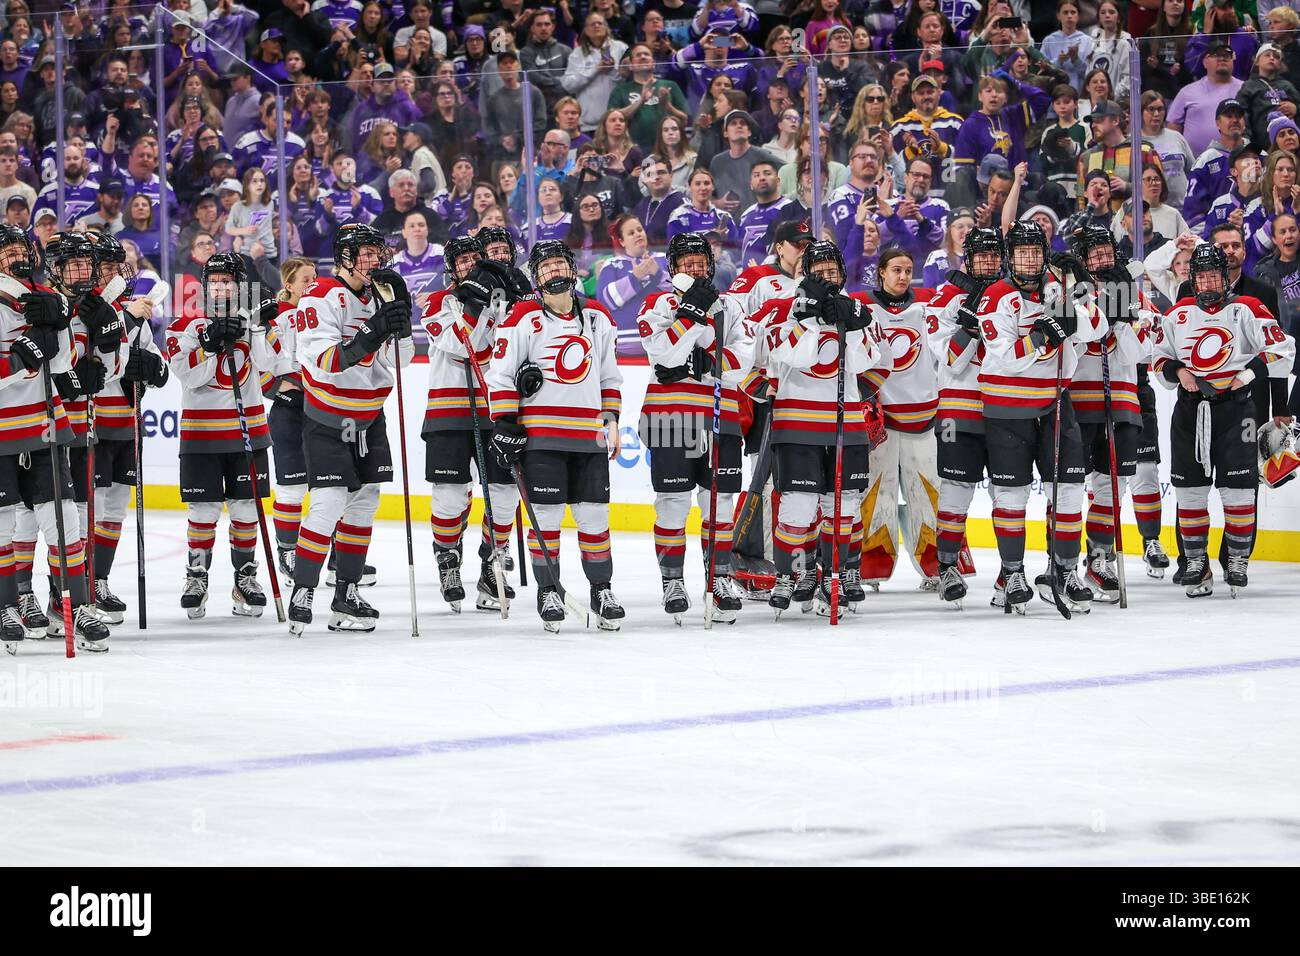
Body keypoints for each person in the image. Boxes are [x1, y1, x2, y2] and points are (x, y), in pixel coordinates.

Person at [486, 239, 626, 632]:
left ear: (572, 270)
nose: (553, 274)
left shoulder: (598, 317)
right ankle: (548, 590)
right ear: (535, 277)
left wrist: (612, 419)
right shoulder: (522, 317)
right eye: (544, 268)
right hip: (541, 437)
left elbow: (609, 375)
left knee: (594, 516)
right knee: (545, 517)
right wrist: (506, 423)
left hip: (589, 436)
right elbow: (500, 374)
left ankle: (602, 589)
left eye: (558, 266)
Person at [285, 223, 414, 635]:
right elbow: (325, 361)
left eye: (378, 254)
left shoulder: (381, 295)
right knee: (328, 504)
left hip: (370, 419)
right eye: (366, 254)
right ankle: (303, 589)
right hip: (327, 418)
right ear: (344, 256)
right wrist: (376, 328)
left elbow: (403, 360)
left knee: (364, 504)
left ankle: (347, 594)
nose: (374, 261)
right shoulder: (321, 295)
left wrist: (401, 318)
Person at [748, 240, 889, 615]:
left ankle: (841, 574)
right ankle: (793, 573)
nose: (827, 277)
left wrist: (852, 324)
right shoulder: (783, 309)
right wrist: (808, 318)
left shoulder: (857, 309)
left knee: (843, 506)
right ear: (803, 273)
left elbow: (872, 361)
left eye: (832, 271)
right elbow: (785, 354)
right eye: (818, 271)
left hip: (846, 423)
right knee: (798, 507)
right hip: (797, 426)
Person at [973, 221, 1107, 614]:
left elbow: (1097, 328)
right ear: (1009, 257)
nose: (1029, 259)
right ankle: (1011, 572)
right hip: (1008, 411)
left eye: (1035, 251)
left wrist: (1083, 295)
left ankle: (1063, 571)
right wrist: (1044, 335)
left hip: (1055, 406)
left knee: (1067, 490)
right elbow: (1006, 356)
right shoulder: (995, 296)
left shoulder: (1059, 289)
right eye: (1021, 252)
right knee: (1012, 497)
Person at [1152, 244, 1295, 597]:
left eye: (1213, 275)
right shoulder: (1178, 313)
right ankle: (1196, 561)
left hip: (1237, 411)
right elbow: (1158, 358)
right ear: (1192, 279)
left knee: (1239, 490)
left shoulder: (1247, 308)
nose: (1207, 283)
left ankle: (1236, 559)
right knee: (1189, 491)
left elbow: (1283, 350)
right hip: (1190, 411)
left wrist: (1246, 376)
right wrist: (1178, 370)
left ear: (1225, 276)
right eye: (1200, 277)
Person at [0, 226, 111, 650]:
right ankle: (7, 603)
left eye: (18, 250)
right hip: (4, 432)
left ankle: (77, 606)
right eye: (5, 252)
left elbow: (62, 360)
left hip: (46, 426)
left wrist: (60, 323)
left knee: (62, 518)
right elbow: (21, 363)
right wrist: (23, 355)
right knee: (4, 524)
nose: (14, 258)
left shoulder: (49, 297)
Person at [636, 231, 754, 622]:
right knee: (672, 503)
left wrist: (707, 362)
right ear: (673, 269)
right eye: (687, 263)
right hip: (671, 417)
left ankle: (717, 578)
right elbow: (662, 352)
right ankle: (673, 581)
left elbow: (743, 361)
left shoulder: (731, 306)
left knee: (719, 503)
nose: (695, 268)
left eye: (701, 262)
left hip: (722, 418)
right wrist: (689, 316)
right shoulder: (658, 303)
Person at [164, 252, 282, 622]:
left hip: (248, 430)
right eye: (213, 281)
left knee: (246, 511)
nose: (219, 287)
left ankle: (245, 578)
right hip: (201, 434)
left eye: (227, 281)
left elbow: (270, 367)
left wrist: (257, 327)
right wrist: (211, 345)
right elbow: (190, 377)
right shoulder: (186, 325)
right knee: (203, 512)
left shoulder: (255, 321)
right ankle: (197, 577)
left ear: (240, 285)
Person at [418, 234, 525, 613]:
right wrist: (477, 302)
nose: (468, 266)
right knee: (449, 495)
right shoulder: (436, 302)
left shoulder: (508, 301)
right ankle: (448, 560)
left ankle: (491, 564)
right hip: (448, 410)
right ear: (451, 267)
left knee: (504, 495)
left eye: (473, 259)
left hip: (497, 409)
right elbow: (463, 347)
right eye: (461, 261)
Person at [1061, 226, 1155, 602]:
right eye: (1093, 254)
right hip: (1076, 405)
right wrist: (1094, 314)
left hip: (1121, 403)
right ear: (1081, 260)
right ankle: (1062, 564)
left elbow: (1141, 352)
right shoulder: (1067, 295)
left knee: (1111, 487)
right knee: (1067, 489)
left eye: (1105, 252)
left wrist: (1122, 315)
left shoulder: (1135, 294)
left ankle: (1099, 558)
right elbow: (1062, 346)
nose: (1101, 260)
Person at [924, 225, 1005, 606]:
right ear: (966, 258)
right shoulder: (946, 297)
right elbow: (952, 361)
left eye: (994, 254)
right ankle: (947, 567)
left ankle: (1011, 571)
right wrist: (970, 321)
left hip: (1008, 407)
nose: (988, 261)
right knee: (956, 490)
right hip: (959, 406)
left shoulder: (1011, 296)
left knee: (1009, 492)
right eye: (981, 254)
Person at [854, 248, 941, 589]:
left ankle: (937, 566)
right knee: (877, 493)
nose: (903, 276)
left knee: (929, 493)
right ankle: (871, 567)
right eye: (896, 270)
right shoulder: (862, 306)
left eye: (908, 270)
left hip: (924, 415)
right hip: (881, 420)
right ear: (881, 272)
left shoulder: (927, 306)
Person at [262, 256, 316, 574]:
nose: (312, 283)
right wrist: (280, 388)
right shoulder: (275, 318)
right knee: (293, 488)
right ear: (289, 285)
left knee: (332, 487)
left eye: (314, 277)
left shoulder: (326, 311)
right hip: (289, 411)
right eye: (305, 279)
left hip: (323, 408)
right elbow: (260, 367)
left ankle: (338, 556)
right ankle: (288, 552)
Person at [598, 214, 671, 357]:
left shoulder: (663, 259)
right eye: (631, 233)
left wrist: (657, 274)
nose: (637, 234)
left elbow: (678, 292)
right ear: (621, 241)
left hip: (663, 344)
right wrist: (635, 278)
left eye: (639, 230)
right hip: (622, 349)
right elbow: (605, 301)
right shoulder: (612, 264)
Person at [1075, 99, 1163, 212]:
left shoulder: (1144, 151)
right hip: (1097, 226)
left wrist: (1127, 187)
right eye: (1092, 121)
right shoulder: (1086, 157)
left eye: (1099, 120)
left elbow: (1160, 190)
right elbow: (1080, 198)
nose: (1093, 125)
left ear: (1115, 120)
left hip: (1136, 223)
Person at [890, 72, 964, 200]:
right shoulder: (900, 127)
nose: (926, 96)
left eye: (930, 92)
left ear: (939, 93)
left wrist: (941, 148)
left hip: (949, 197)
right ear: (913, 97)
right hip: (911, 199)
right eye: (921, 93)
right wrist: (909, 153)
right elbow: (892, 165)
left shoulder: (955, 123)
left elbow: (964, 160)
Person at [1167, 42, 1245, 158]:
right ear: (1205, 62)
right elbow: (1173, 128)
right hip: (1195, 164)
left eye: (1227, 55)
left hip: (1238, 161)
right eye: (1216, 55)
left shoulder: (1245, 89)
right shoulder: (1187, 91)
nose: (1222, 58)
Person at [1184, 99, 1250, 230]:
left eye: (1238, 116)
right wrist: (1209, 240)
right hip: (1218, 238)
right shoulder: (1205, 162)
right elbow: (1193, 214)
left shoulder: (1261, 156)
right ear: (1217, 123)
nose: (1235, 120)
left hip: (1254, 236)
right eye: (1229, 116)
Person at [1239, 43, 1300, 151]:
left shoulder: (1287, 85)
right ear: (1257, 61)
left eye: (1276, 57)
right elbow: (1242, 113)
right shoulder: (1249, 86)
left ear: (1280, 64)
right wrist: (1245, 138)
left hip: (1289, 144)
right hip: (1263, 147)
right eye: (1267, 55)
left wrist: (1296, 108)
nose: (1272, 58)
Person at [1139, 91, 1195, 208]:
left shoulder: (1176, 137)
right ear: (1141, 112)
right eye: (1151, 109)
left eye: (1160, 109)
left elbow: (1193, 171)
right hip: (1153, 209)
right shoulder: (1133, 142)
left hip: (1183, 207)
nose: (1156, 113)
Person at [734, 160, 792, 268]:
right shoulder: (746, 216)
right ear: (751, 185)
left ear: (778, 180)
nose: (762, 178)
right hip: (749, 280)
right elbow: (738, 254)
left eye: (767, 173)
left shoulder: (790, 209)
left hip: (780, 279)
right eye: (756, 175)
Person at [632, 155, 685, 246]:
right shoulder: (640, 206)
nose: (656, 177)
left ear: (671, 175)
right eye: (650, 174)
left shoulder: (682, 203)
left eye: (661, 172)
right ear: (644, 180)